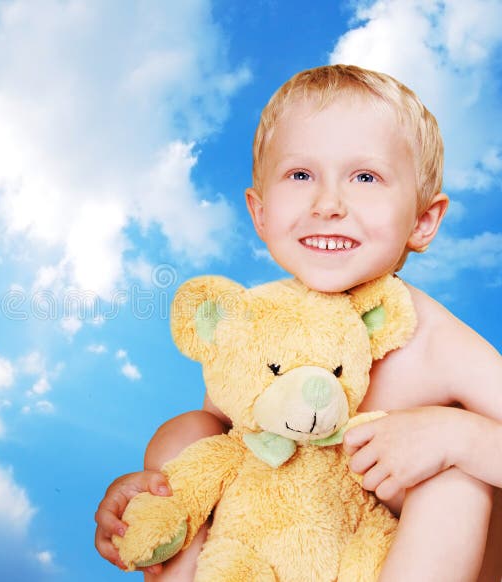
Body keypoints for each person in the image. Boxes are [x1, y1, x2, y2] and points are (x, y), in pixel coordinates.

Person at [94, 64, 502, 581]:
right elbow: (228, 457)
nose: (328, 204)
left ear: (422, 220)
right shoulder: (258, 327)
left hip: (391, 559)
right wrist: (145, 499)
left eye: (365, 177)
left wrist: (457, 437)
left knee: (456, 480)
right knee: (193, 432)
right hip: (284, 550)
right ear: (260, 212)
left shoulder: (436, 341)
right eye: (301, 175)